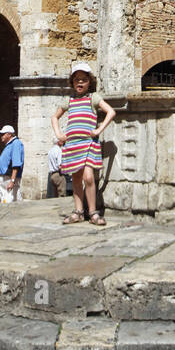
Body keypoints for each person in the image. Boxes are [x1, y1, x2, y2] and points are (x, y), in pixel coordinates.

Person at [52, 61, 116, 227]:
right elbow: (54, 117)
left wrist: (98, 130)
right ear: (72, 82)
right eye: (77, 79)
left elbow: (111, 111)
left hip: (88, 144)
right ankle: (79, 211)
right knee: (76, 178)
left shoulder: (93, 98)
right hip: (72, 145)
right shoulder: (70, 101)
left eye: (84, 79)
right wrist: (59, 134)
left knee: (88, 177)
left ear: (90, 81)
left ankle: (93, 212)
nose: (80, 82)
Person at [0, 125, 24, 204]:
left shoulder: (16, 144)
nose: (1, 136)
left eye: (3, 134)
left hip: (9, 177)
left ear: (9, 134)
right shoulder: (9, 144)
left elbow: (16, 164)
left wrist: (12, 181)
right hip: (1, 177)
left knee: (9, 202)